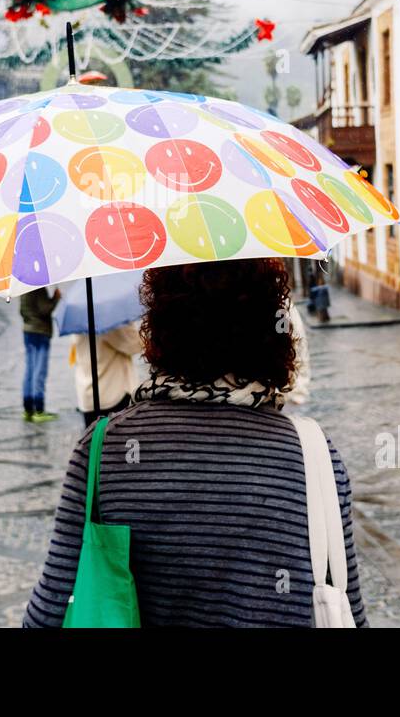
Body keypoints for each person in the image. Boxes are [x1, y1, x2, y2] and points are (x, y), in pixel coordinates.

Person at [24, 258, 368, 628]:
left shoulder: (103, 451)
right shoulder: (314, 454)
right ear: (275, 333)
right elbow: (350, 613)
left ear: (158, 327)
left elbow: (48, 614)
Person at [72, 320, 141, 426]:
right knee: (118, 440)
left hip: (88, 394)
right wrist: (129, 323)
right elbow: (135, 345)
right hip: (112, 393)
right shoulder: (109, 321)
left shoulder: (79, 317)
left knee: (93, 440)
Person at [19, 286, 61, 423]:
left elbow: (22, 311)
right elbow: (44, 309)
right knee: (39, 370)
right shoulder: (38, 288)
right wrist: (55, 298)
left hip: (28, 331)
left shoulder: (22, 288)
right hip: (40, 332)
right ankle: (39, 409)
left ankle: (28, 408)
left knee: (30, 370)